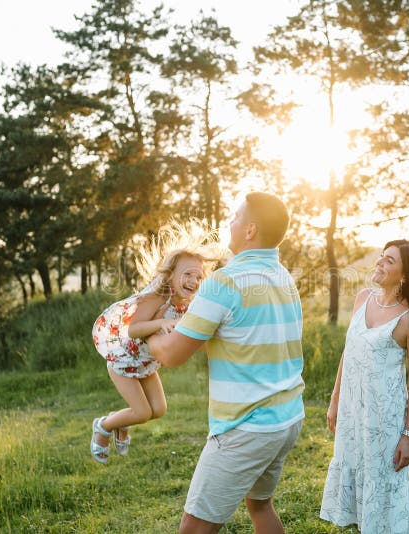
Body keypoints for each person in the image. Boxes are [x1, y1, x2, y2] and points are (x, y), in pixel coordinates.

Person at [146, 192, 304, 534]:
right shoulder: (283, 278)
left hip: (246, 426)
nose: (228, 224)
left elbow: (171, 355)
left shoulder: (225, 282)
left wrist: (145, 331)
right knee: (259, 505)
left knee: (194, 527)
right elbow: (242, 340)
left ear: (250, 230)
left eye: (234, 217)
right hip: (287, 418)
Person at [320, 239, 409, 534]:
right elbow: (349, 352)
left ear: (405, 276)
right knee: (357, 482)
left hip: (384, 421)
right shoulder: (362, 299)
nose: (379, 263)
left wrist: (408, 435)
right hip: (352, 414)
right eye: (381, 257)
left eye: (389, 261)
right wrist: (335, 401)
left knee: (382, 491)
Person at [90, 222, 219, 464]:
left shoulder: (187, 303)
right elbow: (133, 329)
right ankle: (103, 427)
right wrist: (160, 325)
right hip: (124, 361)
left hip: (147, 362)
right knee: (142, 412)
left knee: (158, 410)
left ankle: (123, 424)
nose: (193, 280)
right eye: (187, 274)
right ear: (170, 275)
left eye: (198, 276)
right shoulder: (158, 296)